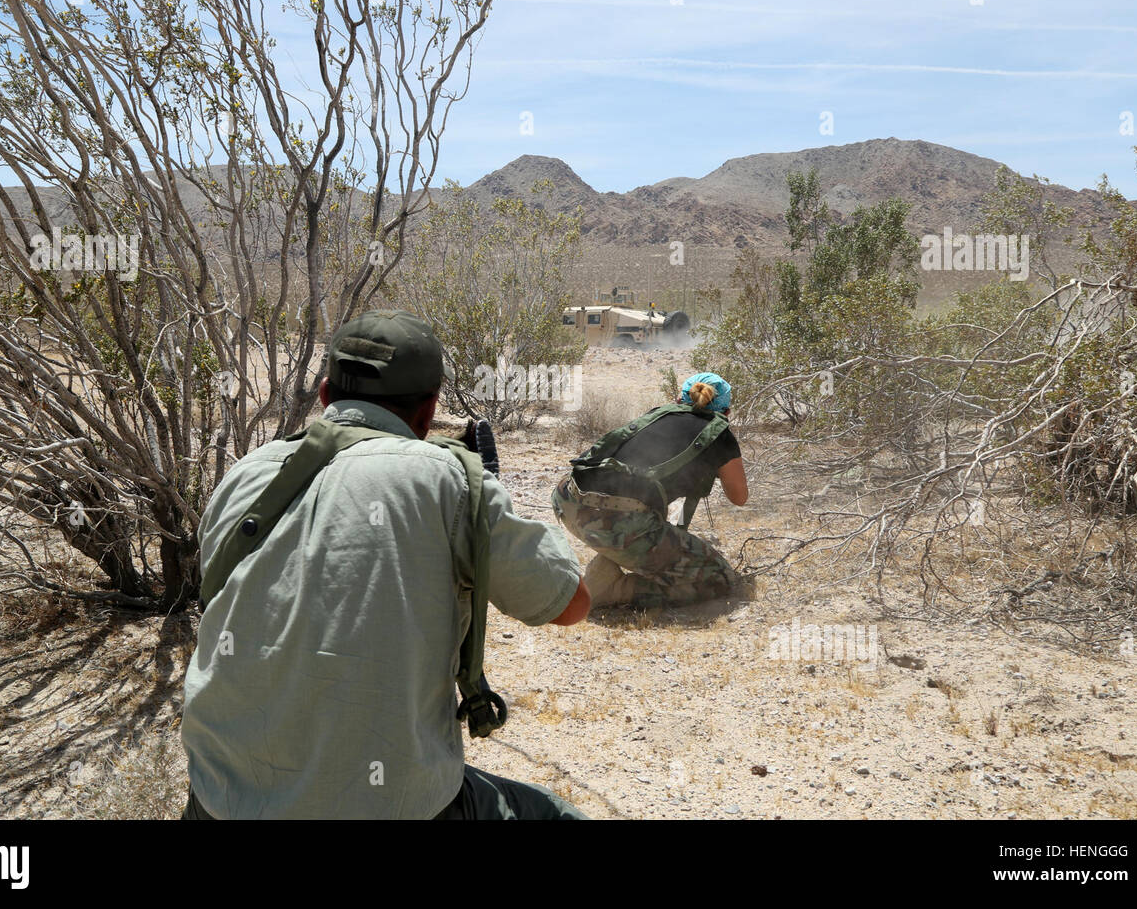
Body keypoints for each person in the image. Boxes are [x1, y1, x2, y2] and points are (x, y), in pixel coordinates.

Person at [181, 310, 591, 819]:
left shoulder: (243, 477)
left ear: (327, 395)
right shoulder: (451, 482)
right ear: (429, 410)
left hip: (222, 801)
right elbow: (571, 605)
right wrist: (489, 497)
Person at [551, 372, 751, 609]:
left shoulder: (659, 414)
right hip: (616, 519)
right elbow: (739, 497)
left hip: (569, 499)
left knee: (647, 525)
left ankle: (611, 557)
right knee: (720, 580)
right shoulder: (719, 435)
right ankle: (613, 588)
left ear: (679, 399)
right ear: (726, 412)